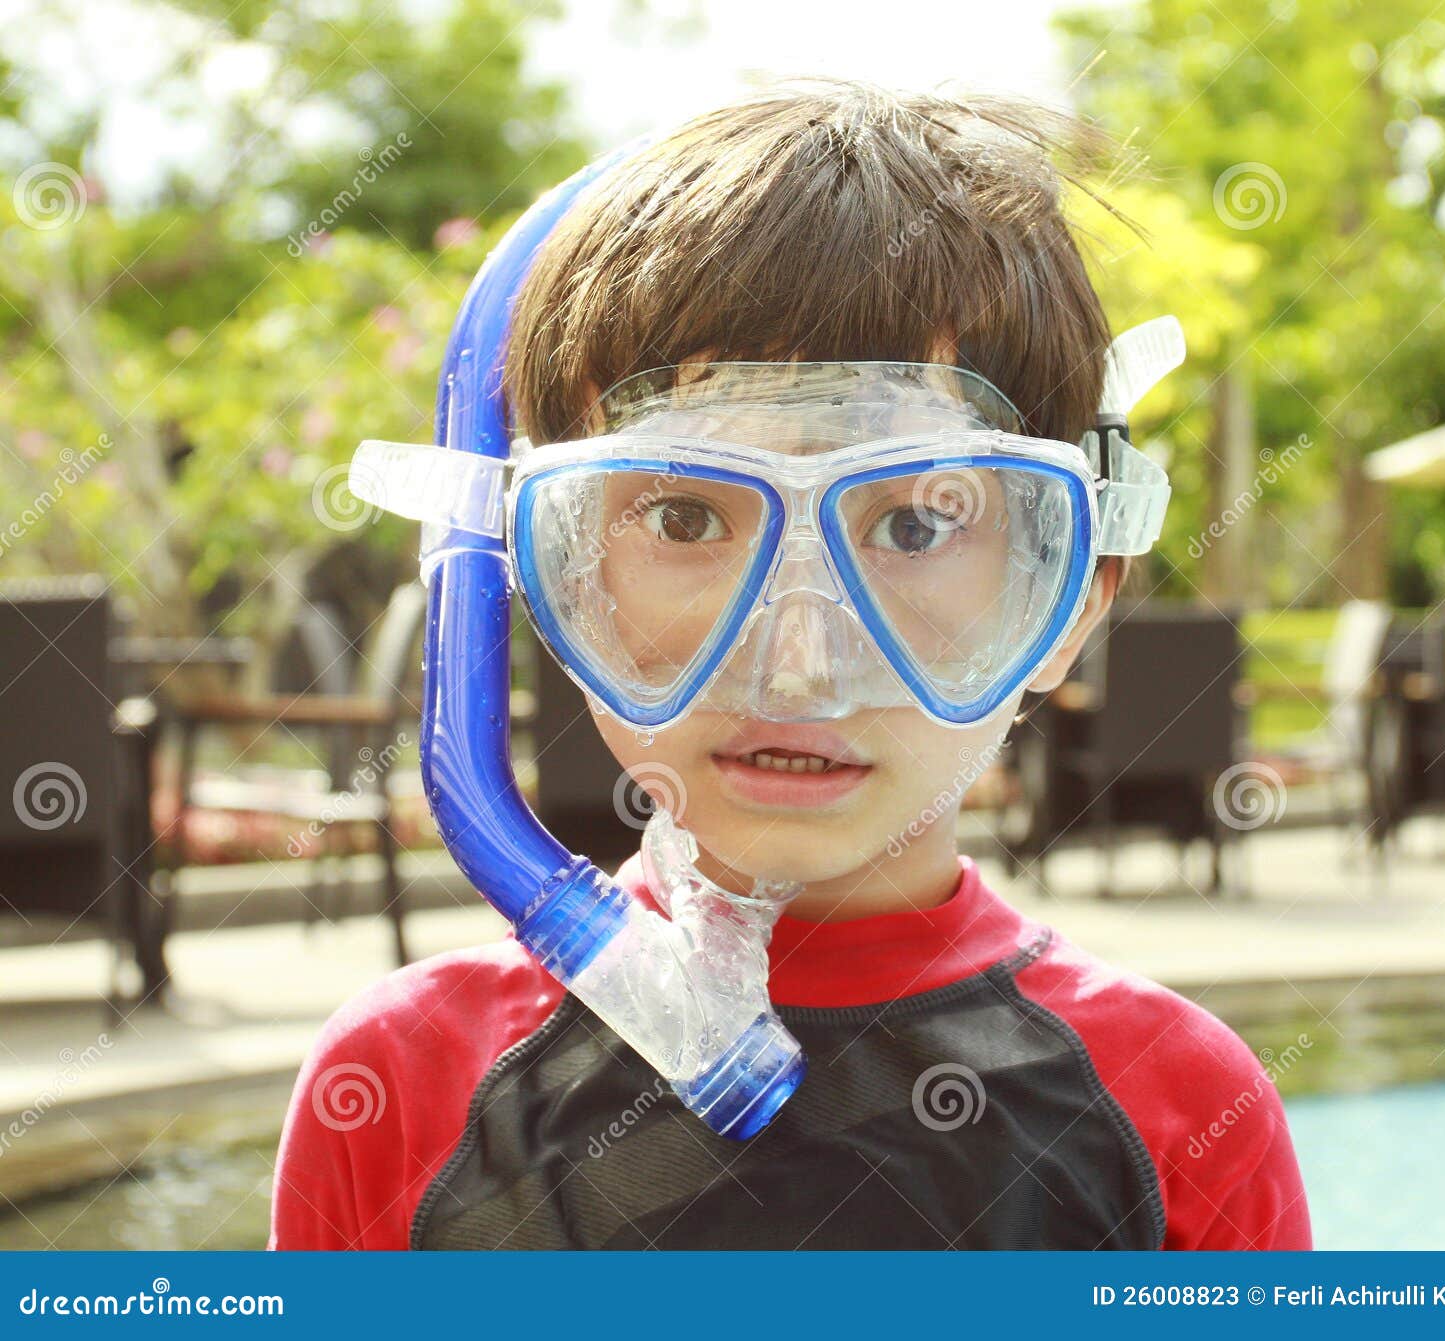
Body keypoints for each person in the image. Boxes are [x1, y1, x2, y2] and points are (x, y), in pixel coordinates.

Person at [270, 81, 1310, 1250]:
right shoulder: (402, 1084)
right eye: (682, 518)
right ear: (536, 566)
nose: (798, 662)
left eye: (917, 524)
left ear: (1067, 593)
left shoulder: (1181, 1112)